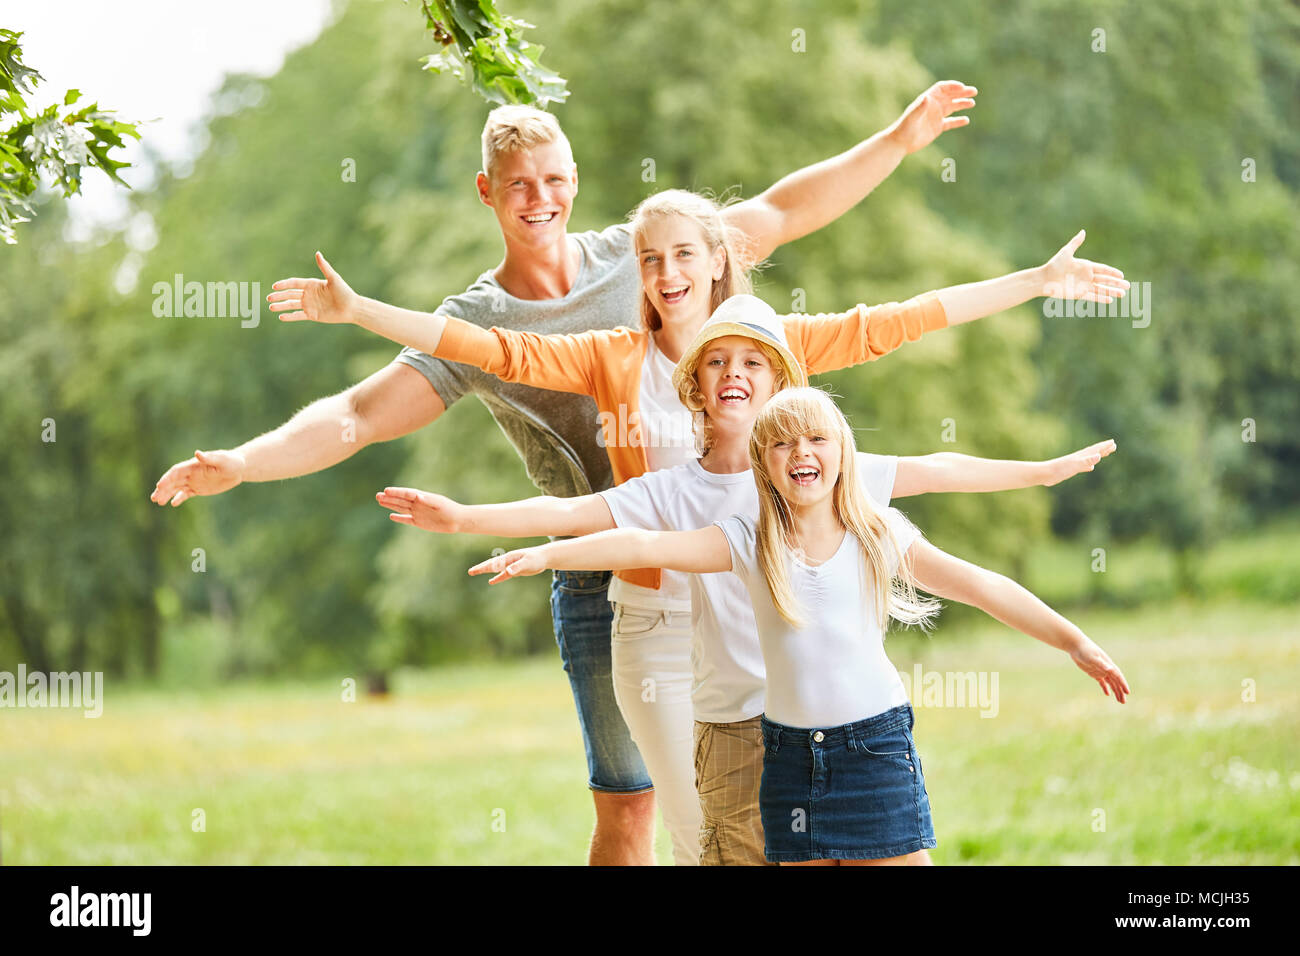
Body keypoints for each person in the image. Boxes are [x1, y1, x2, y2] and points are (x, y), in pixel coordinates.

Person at [149, 84, 980, 866]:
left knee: (764, 797)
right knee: (630, 804)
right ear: (487, 192)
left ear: (575, 183)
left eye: (552, 180)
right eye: (517, 185)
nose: (537, 198)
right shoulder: (479, 320)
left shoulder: (644, 257)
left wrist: (901, 139)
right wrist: (246, 462)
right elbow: (361, 415)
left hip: (729, 558)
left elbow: (784, 210)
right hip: (601, 570)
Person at [376, 294, 1120, 864]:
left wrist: (1046, 484)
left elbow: (966, 541)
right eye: (718, 362)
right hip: (753, 734)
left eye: (755, 363)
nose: (801, 454)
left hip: (866, 745)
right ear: (696, 384)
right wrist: (496, 531)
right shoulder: (733, 527)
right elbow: (605, 525)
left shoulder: (865, 517)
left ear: (834, 445)